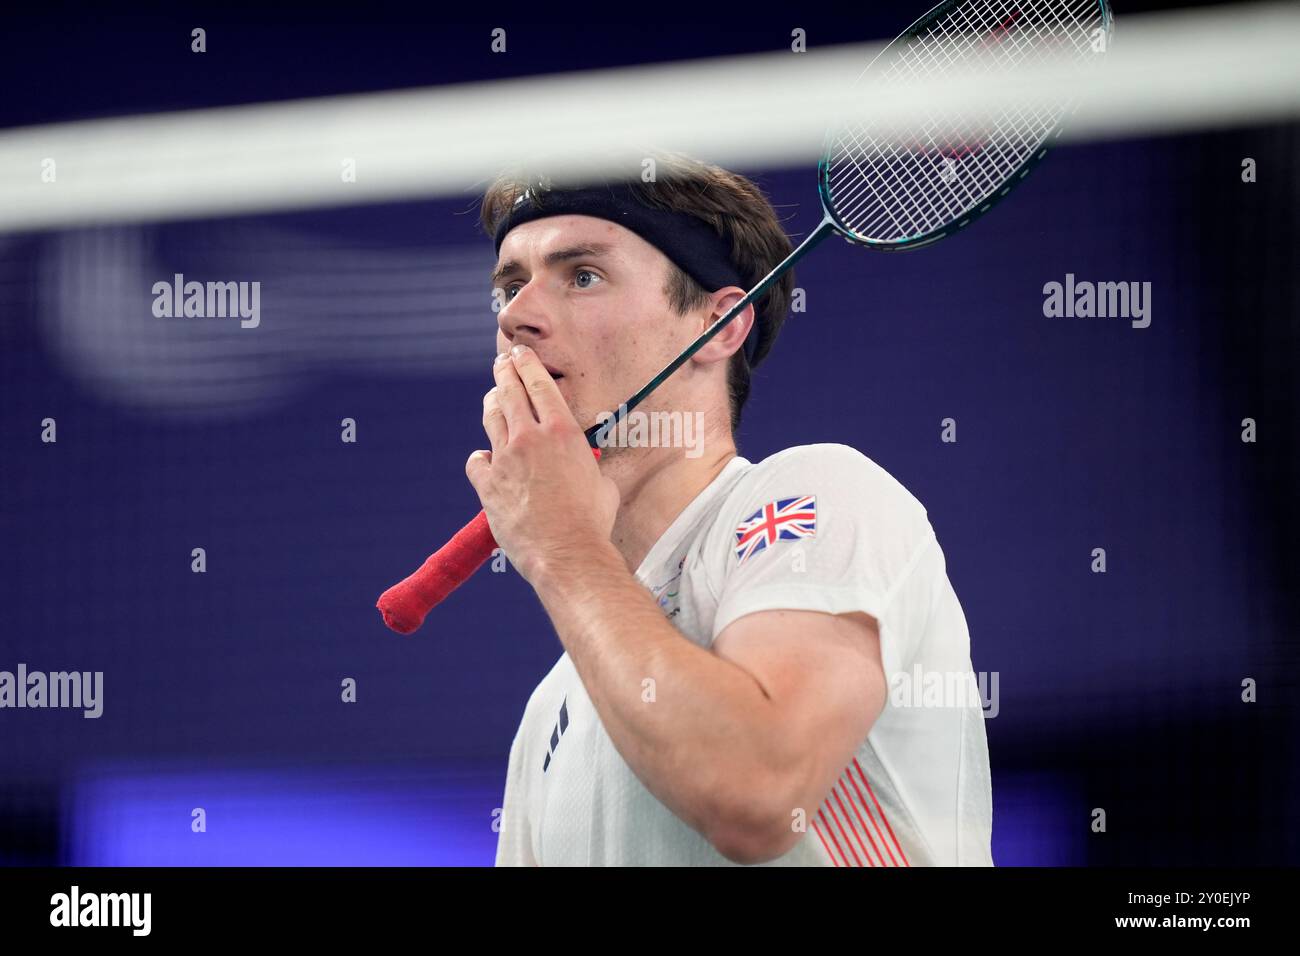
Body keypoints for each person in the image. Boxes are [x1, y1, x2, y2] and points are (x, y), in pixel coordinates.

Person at [471, 152, 992, 866]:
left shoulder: (821, 493)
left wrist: (559, 547)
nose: (518, 317)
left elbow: (758, 792)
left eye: (582, 275)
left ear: (721, 326)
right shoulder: (548, 715)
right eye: (510, 286)